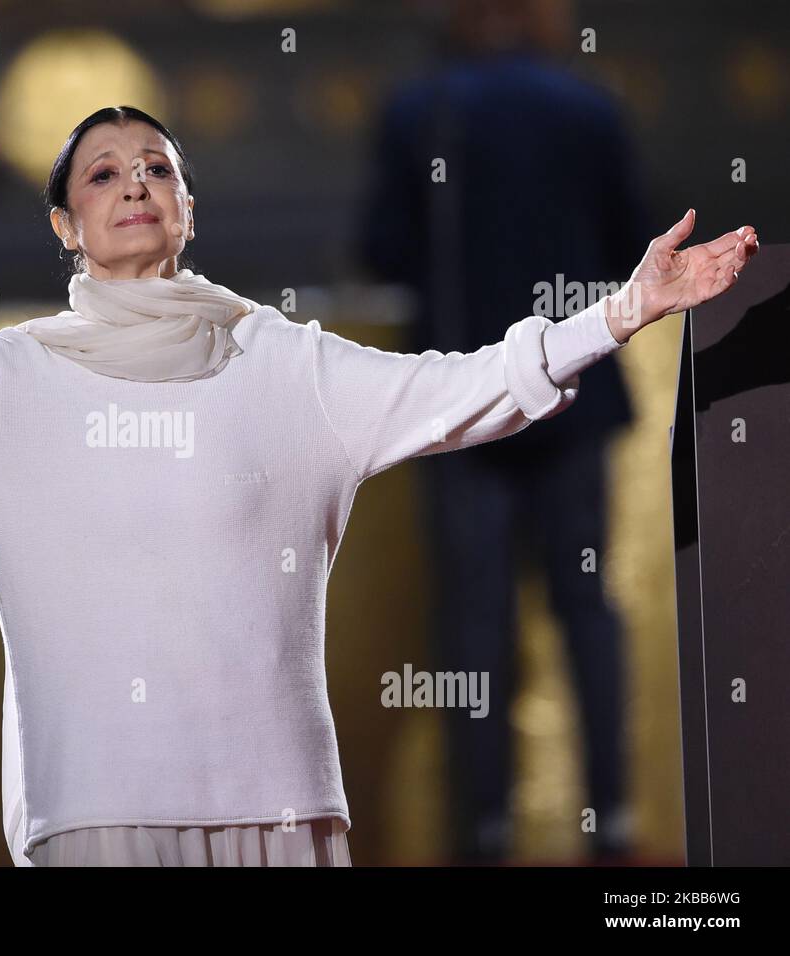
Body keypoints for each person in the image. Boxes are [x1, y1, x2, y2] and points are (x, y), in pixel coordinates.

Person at [0, 105, 758, 867]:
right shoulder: (3, 382)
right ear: (62, 223)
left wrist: (625, 310)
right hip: (94, 813)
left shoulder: (286, 362)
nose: (133, 187)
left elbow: (469, 382)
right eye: (103, 174)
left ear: (189, 207)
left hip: (278, 809)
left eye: (155, 168)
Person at [358, 0, 653, 863]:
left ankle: (482, 831)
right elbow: (629, 242)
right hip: (575, 393)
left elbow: (383, 248)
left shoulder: (420, 111)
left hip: (465, 409)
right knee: (586, 609)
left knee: (474, 629)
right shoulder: (588, 107)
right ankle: (614, 823)